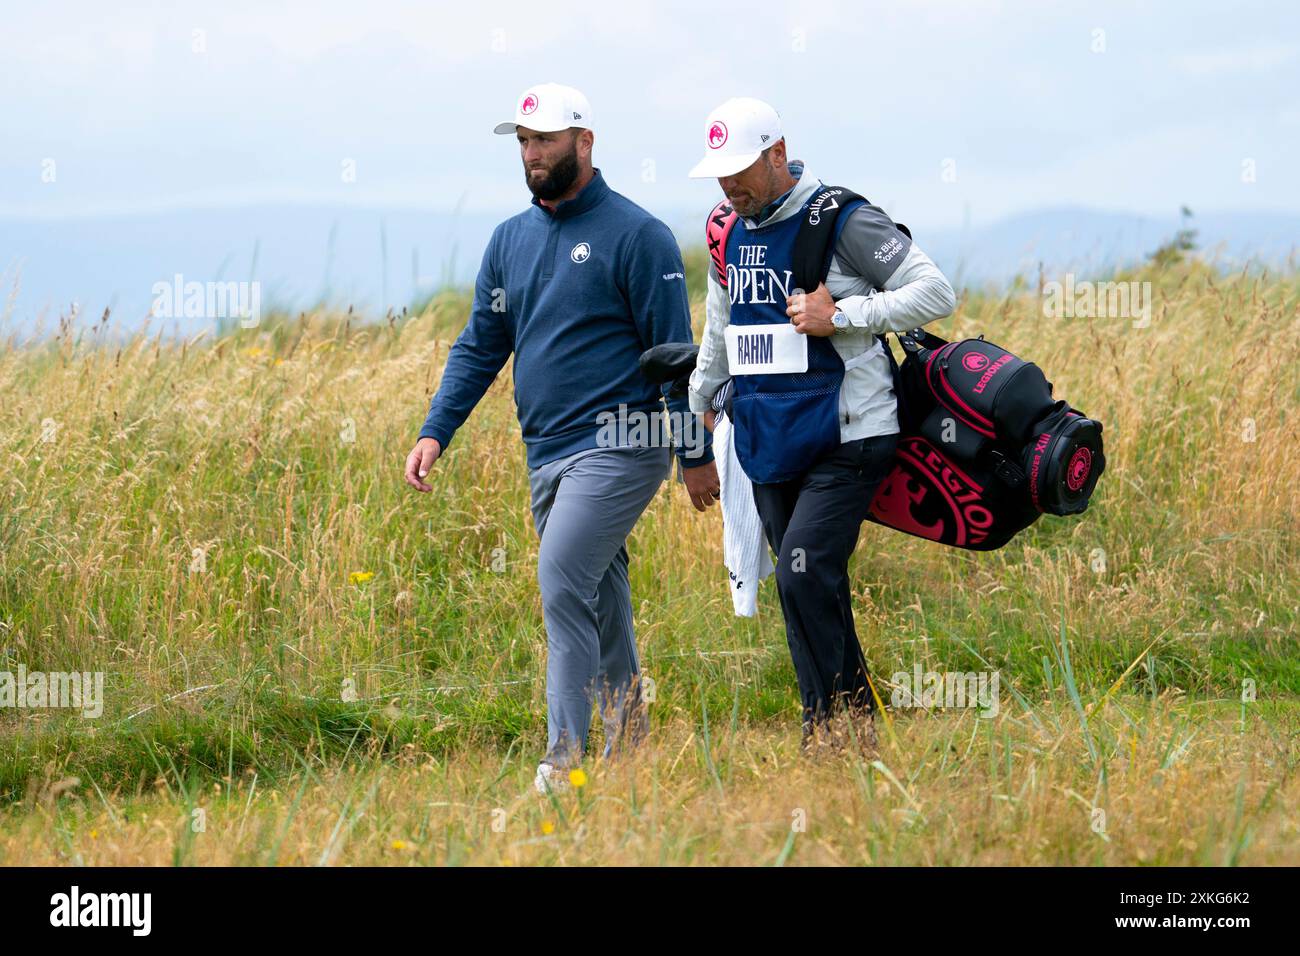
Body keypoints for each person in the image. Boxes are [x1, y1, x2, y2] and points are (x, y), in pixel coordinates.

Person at [404, 83, 718, 791]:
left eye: (543, 139)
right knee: (599, 596)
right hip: (546, 450)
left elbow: (676, 353)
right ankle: (632, 749)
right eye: (522, 140)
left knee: (561, 581)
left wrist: (693, 454)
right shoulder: (510, 240)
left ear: (584, 142)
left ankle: (561, 758)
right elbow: (482, 344)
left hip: (624, 441)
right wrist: (435, 432)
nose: (531, 152)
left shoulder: (638, 236)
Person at [686, 97, 956, 752]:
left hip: (852, 431)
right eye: (719, 174)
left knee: (805, 573)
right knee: (803, 585)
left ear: (778, 154)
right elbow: (721, 329)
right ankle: (838, 727)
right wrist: (696, 410)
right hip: (768, 434)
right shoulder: (729, 227)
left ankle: (842, 727)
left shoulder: (845, 219)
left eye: (742, 169)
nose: (730, 185)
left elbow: (936, 291)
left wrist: (843, 315)